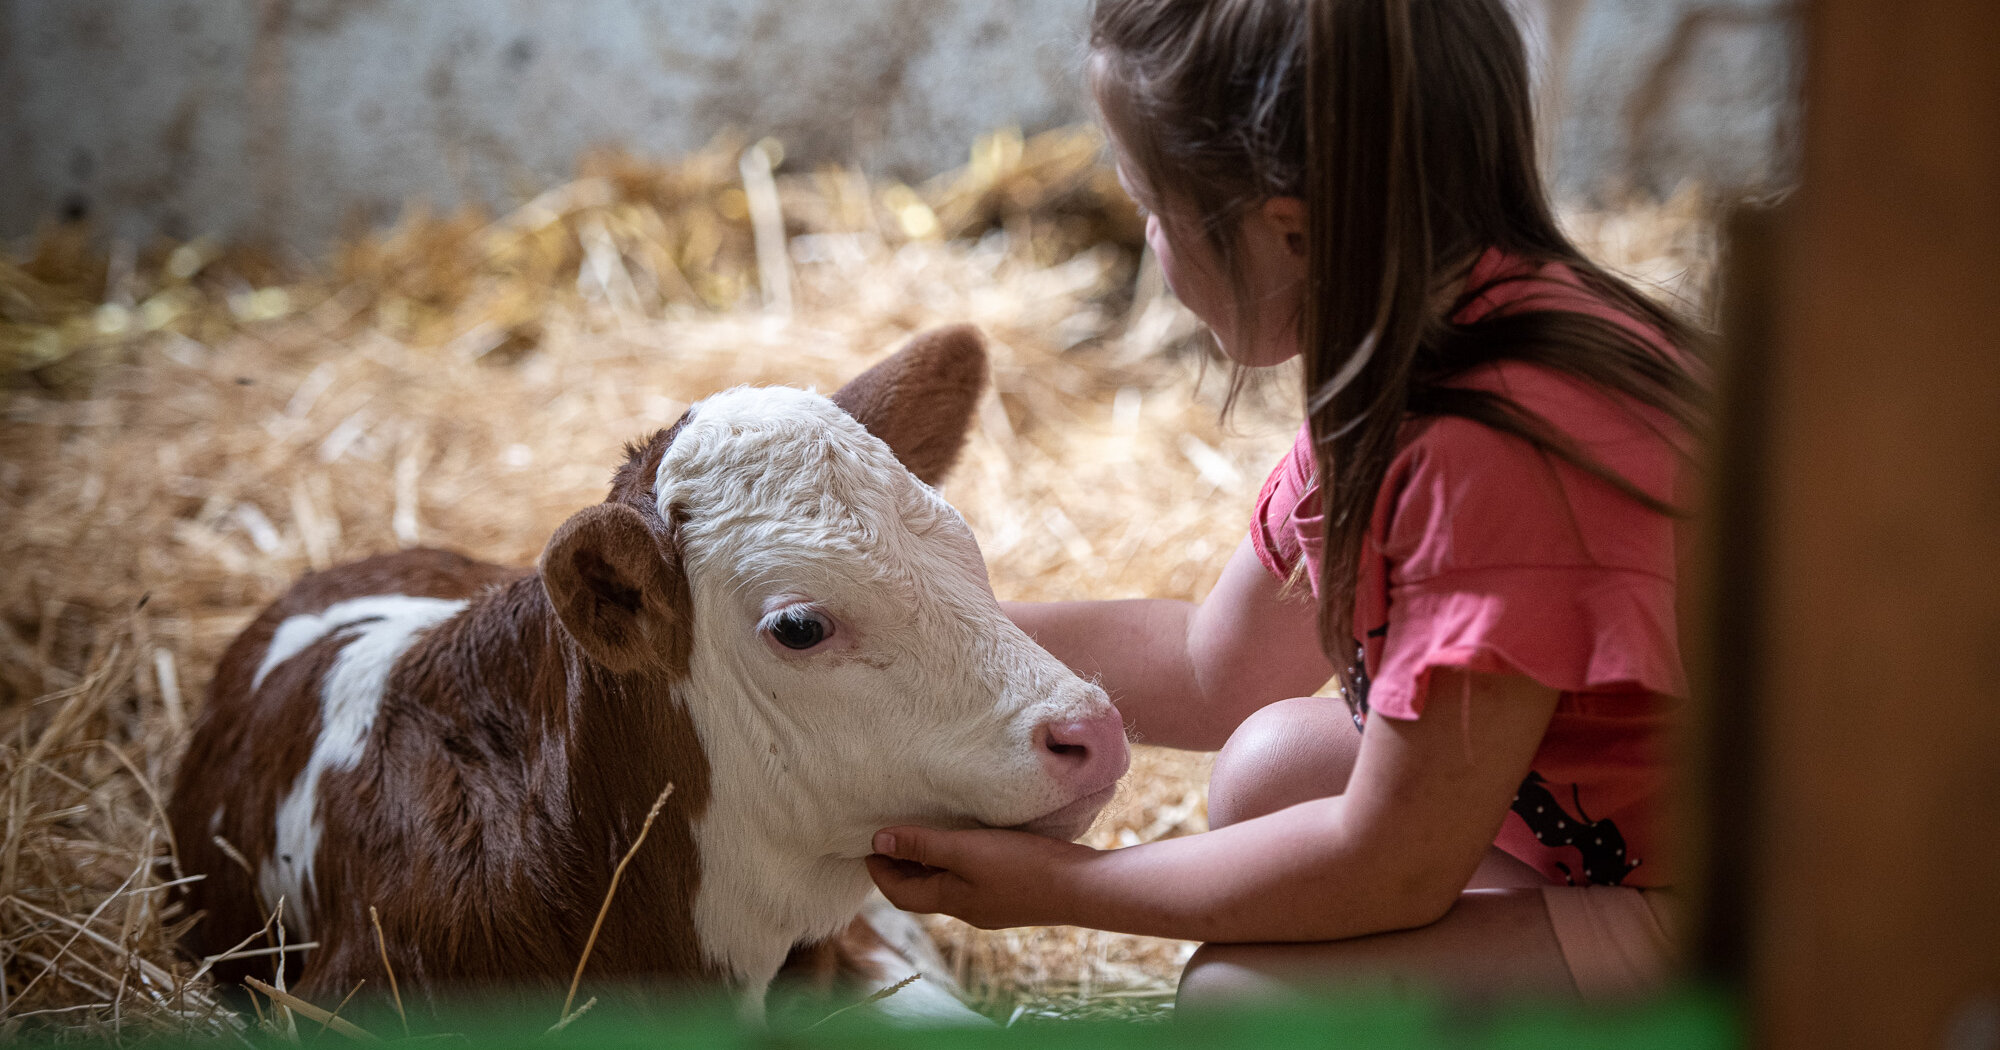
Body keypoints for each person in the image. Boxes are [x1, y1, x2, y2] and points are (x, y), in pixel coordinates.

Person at [866, 0, 1708, 1007]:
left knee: (1243, 1006)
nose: (1149, 243)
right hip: (1623, 836)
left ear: (1287, 231)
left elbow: (1387, 865)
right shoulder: (1433, 337)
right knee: (1269, 766)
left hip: (1760, 912)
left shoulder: (1490, 458)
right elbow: (1213, 670)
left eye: (1153, 205)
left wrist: (1063, 888)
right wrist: (902, 645)